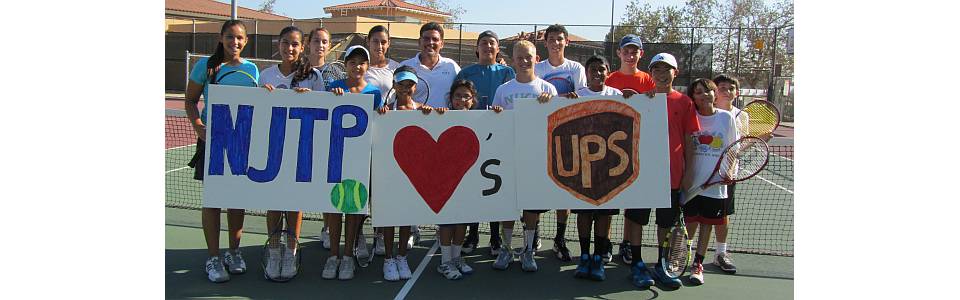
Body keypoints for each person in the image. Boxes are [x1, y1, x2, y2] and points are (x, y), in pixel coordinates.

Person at [184, 20, 258, 283]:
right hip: (213, 141)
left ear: (246, 41)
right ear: (221, 38)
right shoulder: (205, 66)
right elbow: (190, 101)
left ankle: (234, 252)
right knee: (213, 200)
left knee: (236, 199)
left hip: (241, 143)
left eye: (239, 38)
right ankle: (214, 257)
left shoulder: (252, 69)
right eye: (230, 37)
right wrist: (198, 126)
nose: (234, 42)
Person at [625, 53, 700, 289]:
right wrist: (630, 98)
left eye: (666, 69)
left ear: (675, 73)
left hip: (672, 175)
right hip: (641, 174)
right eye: (656, 69)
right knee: (636, 220)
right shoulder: (642, 100)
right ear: (651, 74)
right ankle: (637, 264)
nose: (661, 74)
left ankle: (662, 264)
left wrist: (688, 173)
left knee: (665, 224)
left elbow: (689, 140)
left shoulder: (685, 103)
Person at [257, 25, 325, 281]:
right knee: (274, 202)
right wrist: (263, 96)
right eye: (286, 42)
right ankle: (274, 252)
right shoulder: (266, 75)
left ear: (302, 47)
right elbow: (256, 111)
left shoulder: (313, 76)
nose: (290, 48)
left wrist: (309, 98)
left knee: (295, 202)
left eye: (295, 44)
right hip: (273, 148)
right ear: (279, 44)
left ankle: (292, 251)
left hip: (301, 148)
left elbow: (323, 111)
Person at [490, 40, 557, 272]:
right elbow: (495, 121)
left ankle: (528, 250)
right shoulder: (503, 90)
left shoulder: (548, 89)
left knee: (531, 206)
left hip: (535, 158)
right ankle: (506, 249)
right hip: (508, 156)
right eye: (519, 57)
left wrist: (549, 105)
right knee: (508, 205)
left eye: (528, 56)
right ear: (513, 60)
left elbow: (555, 121)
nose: (524, 61)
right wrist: (497, 113)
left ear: (536, 58)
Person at [322, 45, 383, 280]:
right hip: (335, 157)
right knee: (334, 208)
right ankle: (333, 256)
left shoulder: (374, 93)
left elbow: (377, 121)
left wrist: (383, 112)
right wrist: (332, 97)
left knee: (354, 207)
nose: (357, 66)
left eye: (362, 62)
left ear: (367, 66)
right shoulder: (334, 88)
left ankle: (348, 256)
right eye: (352, 62)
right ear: (346, 65)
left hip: (362, 159)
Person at [453, 30, 516, 256]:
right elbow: (457, 100)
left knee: (494, 186)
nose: (488, 46)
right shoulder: (466, 72)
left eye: (492, 43)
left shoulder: (507, 72)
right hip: (470, 137)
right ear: (477, 48)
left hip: (498, 136)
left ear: (497, 48)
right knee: (473, 185)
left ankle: (495, 236)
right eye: (484, 43)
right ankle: (472, 234)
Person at [374, 66, 436, 281]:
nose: (405, 88)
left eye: (410, 84)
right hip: (388, 174)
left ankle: (401, 257)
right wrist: (380, 116)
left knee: (405, 218)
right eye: (401, 84)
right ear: (394, 85)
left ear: (415, 87)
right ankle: (388, 259)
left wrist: (435, 114)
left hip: (413, 175)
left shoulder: (423, 110)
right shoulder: (385, 111)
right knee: (389, 218)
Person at [534, 24, 590, 262]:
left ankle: (559, 238)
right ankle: (534, 234)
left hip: (568, 134)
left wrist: (558, 100)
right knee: (536, 188)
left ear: (567, 42)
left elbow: (581, 98)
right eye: (552, 39)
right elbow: (534, 99)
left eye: (560, 39)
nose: (556, 43)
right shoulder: (537, 68)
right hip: (540, 135)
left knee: (565, 189)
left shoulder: (576, 68)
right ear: (545, 42)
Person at [681, 78, 739, 285]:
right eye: (698, 92)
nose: (704, 95)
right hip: (692, 182)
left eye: (708, 91)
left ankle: (698, 263)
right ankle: (681, 257)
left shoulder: (726, 117)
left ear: (715, 94)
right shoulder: (689, 116)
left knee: (707, 224)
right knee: (690, 223)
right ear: (693, 97)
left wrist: (728, 171)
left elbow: (733, 147)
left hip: (716, 184)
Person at [603, 34, 656, 264]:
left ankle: (626, 243)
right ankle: (605, 243)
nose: (630, 55)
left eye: (634, 51)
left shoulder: (648, 81)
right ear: (619, 53)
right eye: (626, 51)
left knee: (633, 199)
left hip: (637, 146)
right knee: (609, 198)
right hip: (609, 146)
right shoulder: (610, 79)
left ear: (640, 54)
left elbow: (654, 109)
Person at [568, 55, 622, 282]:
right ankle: (584, 256)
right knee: (583, 213)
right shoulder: (576, 96)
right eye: (593, 70)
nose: (597, 74)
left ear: (608, 72)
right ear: (586, 73)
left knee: (604, 215)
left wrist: (641, 98)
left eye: (602, 69)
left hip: (609, 169)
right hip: (582, 168)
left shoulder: (617, 95)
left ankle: (598, 257)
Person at [426, 80, 483, 280]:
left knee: (462, 221)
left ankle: (457, 257)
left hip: (468, 181)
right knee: (447, 222)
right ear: (451, 98)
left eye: (466, 96)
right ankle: (445, 262)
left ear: (473, 99)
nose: (462, 100)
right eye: (458, 95)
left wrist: (497, 114)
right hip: (445, 182)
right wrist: (432, 114)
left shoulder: (481, 119)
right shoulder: (441, 116)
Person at [363, 24, 403, 258]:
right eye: (375, 41)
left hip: (387, 136)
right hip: (361, 135)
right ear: (368, 42)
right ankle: (359, 235)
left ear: (388, 44)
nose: (379, 45)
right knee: (365, 186)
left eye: (383, 42)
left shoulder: (396, 69)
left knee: (381, 187)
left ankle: (380, 234)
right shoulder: (361, 67)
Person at [709, 73, 749, 274]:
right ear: (714, 92)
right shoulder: (705, 111)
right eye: (722, 88)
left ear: (737, 93)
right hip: (702, 173)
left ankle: (720, 253)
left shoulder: (742, 116)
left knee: (722, 215)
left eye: (731, 88)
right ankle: (682, 252)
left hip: (727, 176)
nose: (726, 91)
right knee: (693, 216)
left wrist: (729, 171)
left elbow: (739, 147)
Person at [400, 22, 462, 109]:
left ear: (442, 44)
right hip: (413, 118)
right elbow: (398, 99)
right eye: (426, 39)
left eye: (435, 39)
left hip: (446, 118)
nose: (430, 42)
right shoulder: (405, 67)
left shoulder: (452, 67)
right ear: (419, 41)